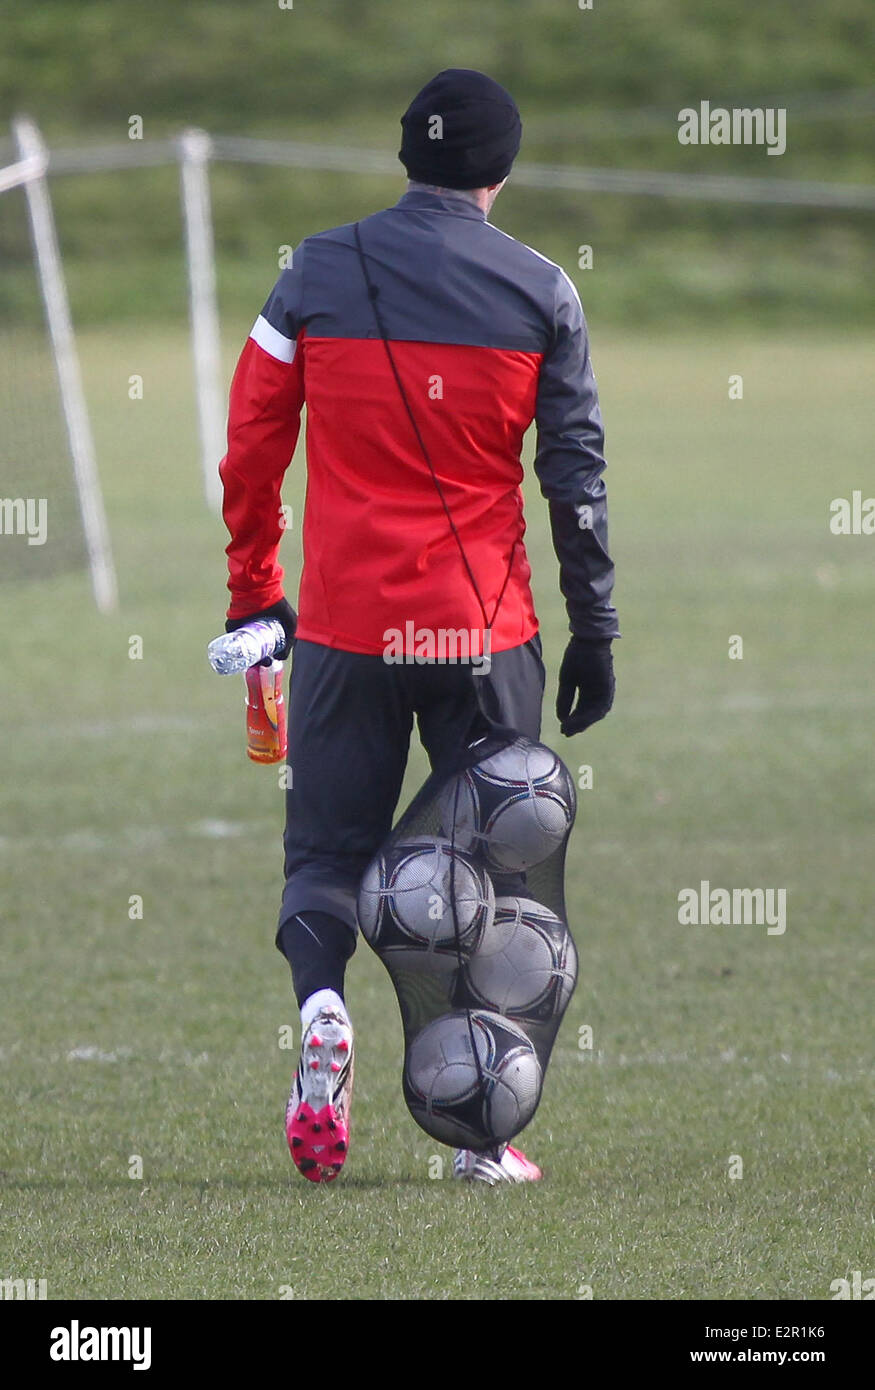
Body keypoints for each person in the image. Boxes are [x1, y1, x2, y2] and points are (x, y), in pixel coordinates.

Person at [219, 68, 619, 1186]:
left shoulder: (310, 271)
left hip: (347, 629)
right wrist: (593, 627)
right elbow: (573, 478)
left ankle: (322, 1011)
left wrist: (256, 590)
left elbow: (249, 447)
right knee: (492, 882)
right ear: (502, 170)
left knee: (325, 858)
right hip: (481, 635)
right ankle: (483, 1139)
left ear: (405, 158)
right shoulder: (542, 290)